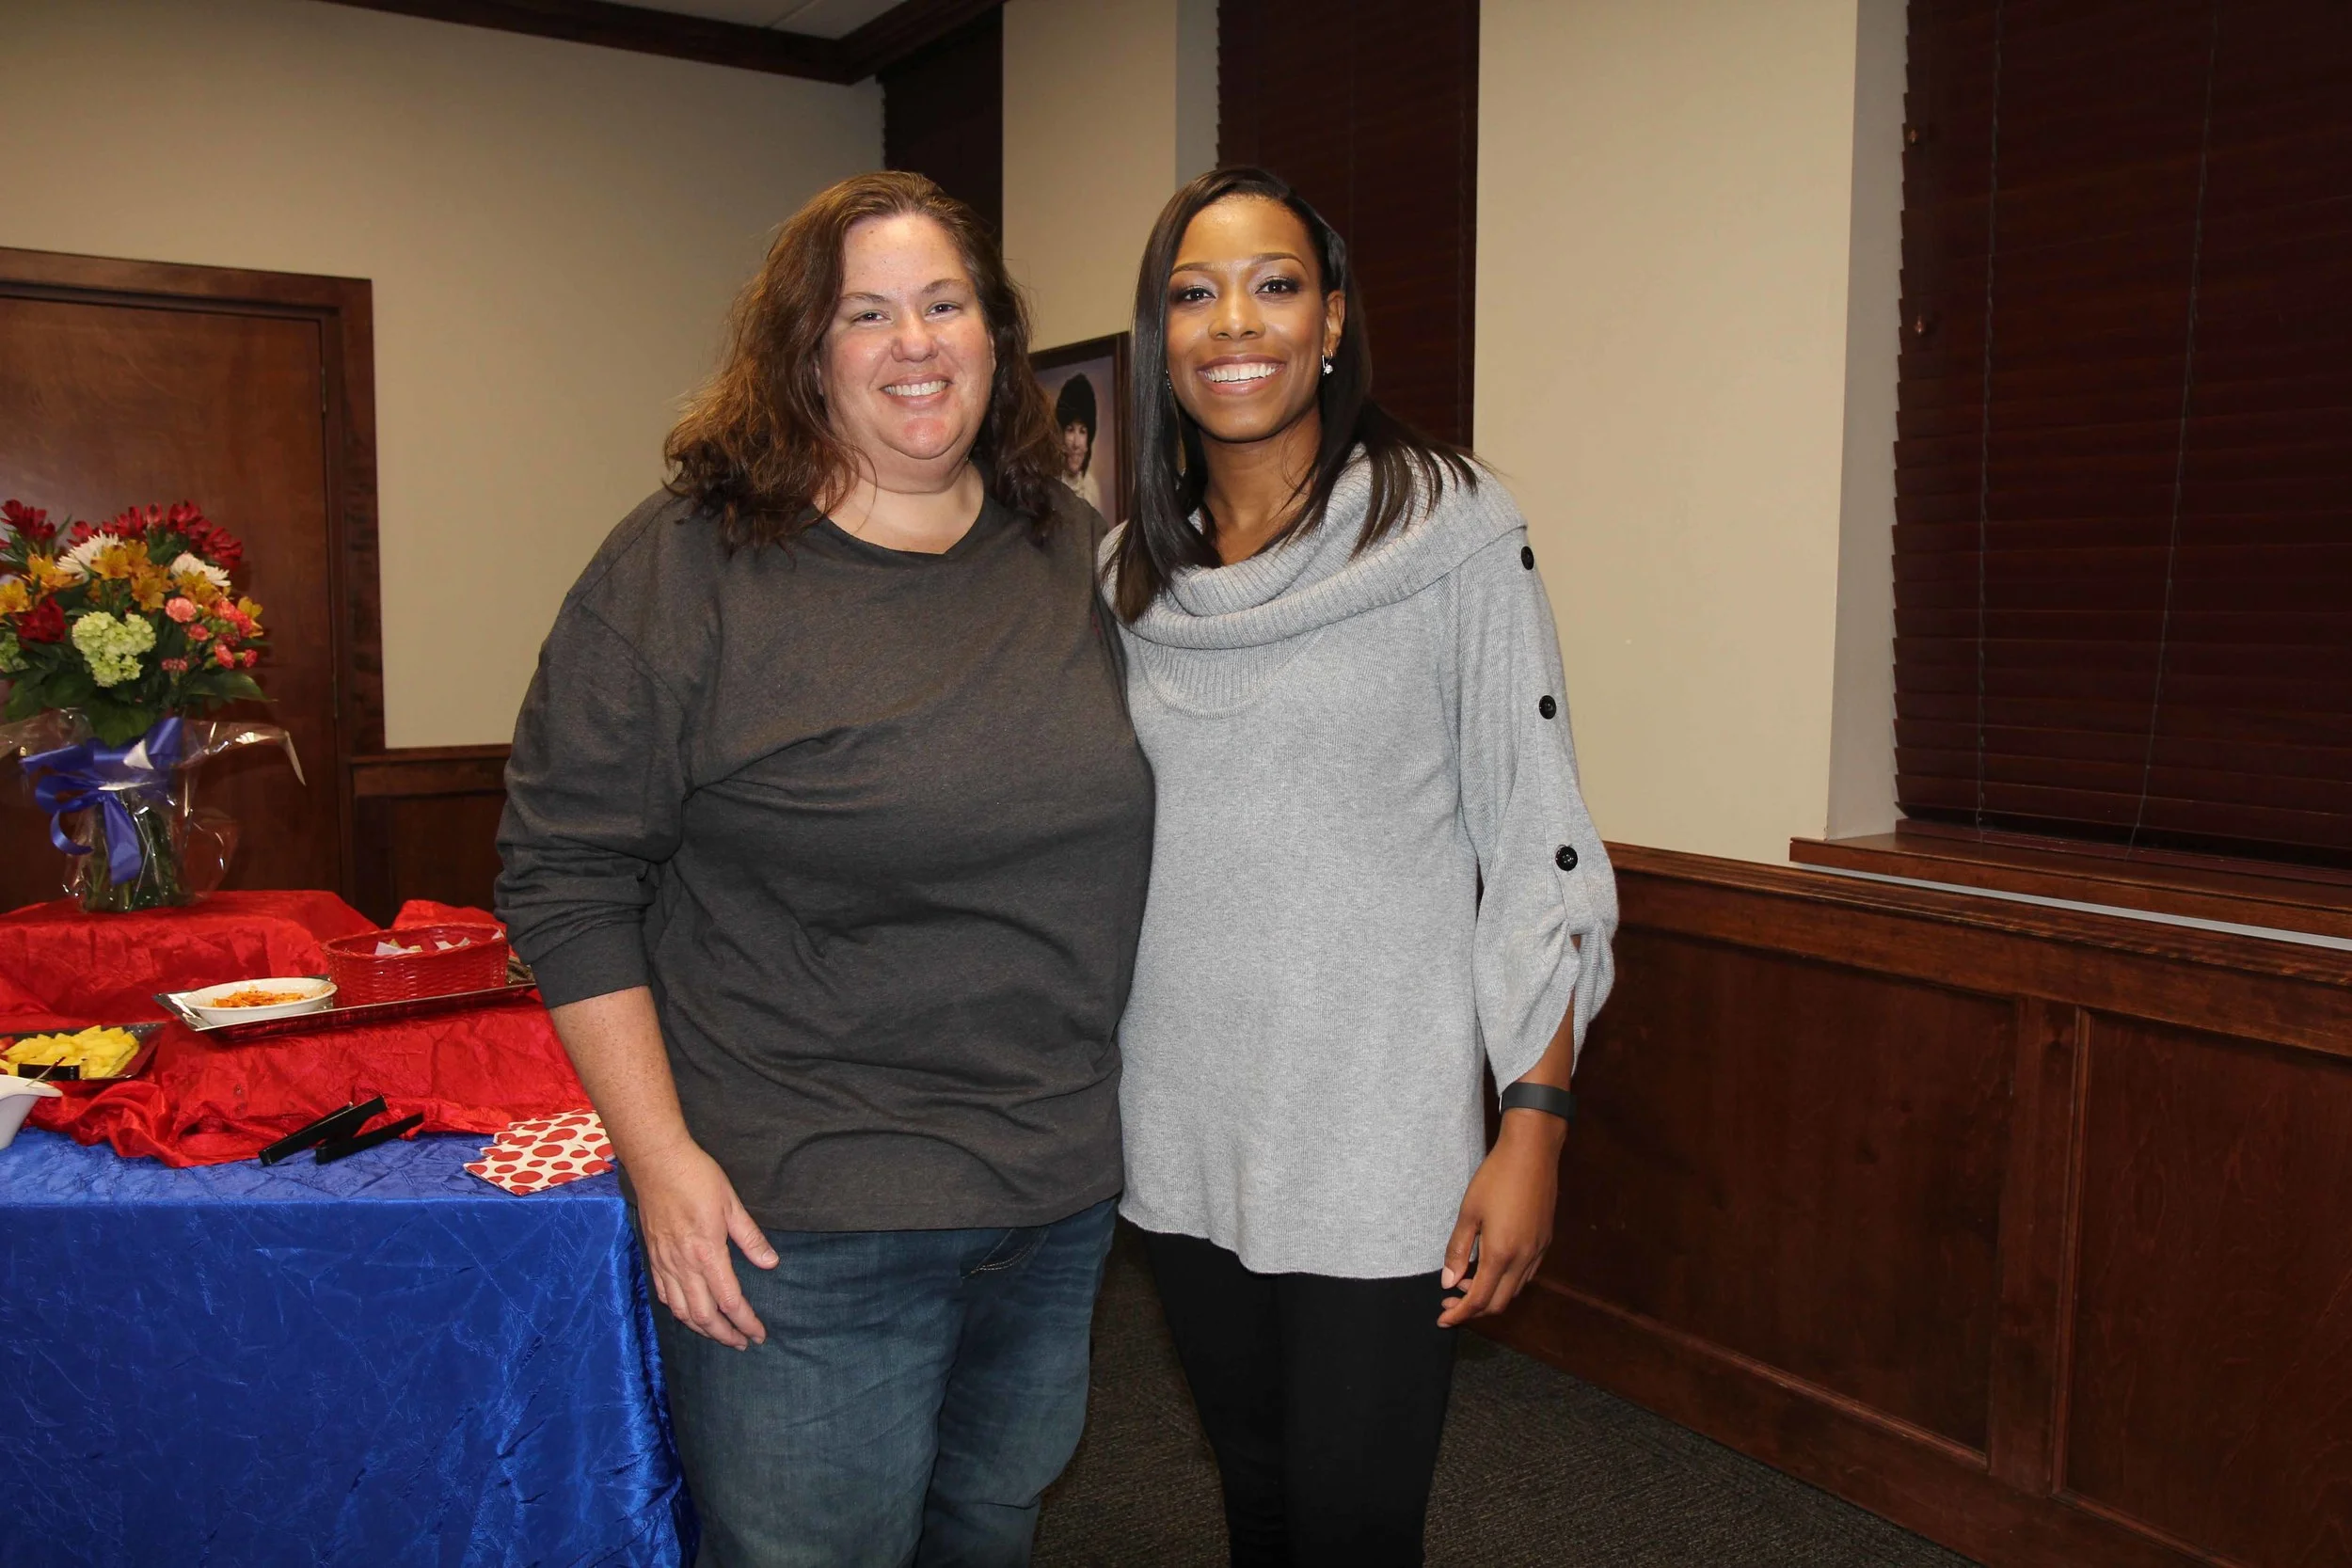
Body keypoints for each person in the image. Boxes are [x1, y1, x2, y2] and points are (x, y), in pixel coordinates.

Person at [496, 170, 1154, 1568]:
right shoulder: (685, 566)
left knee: (986, 1531)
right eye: (868, 312)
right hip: (799, 1215)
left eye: (944, 303)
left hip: (1048, 1195)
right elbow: (563, 873)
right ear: (805, 352)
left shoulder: (1070, 556)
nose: (915, 341)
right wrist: (660, 1159)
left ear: (996, 334)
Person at [1103, 166, 1620, 1566]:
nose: (1236, 322)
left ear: (1331, 320)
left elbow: (1538, 835)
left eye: (1275, 283)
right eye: (1193, 293)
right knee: (1257, 1494)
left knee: (1353, 1521)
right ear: (1162, 339)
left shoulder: (1448, 530)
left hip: (1378, 1137)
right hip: (1187, 1122)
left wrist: (1534, 1121)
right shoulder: (1127, 580)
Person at [1054, 372, 1104, 514]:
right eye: (1070, 430)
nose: (1076, 444)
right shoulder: (1049, 488)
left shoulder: (1091, 489)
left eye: (1082, 431)